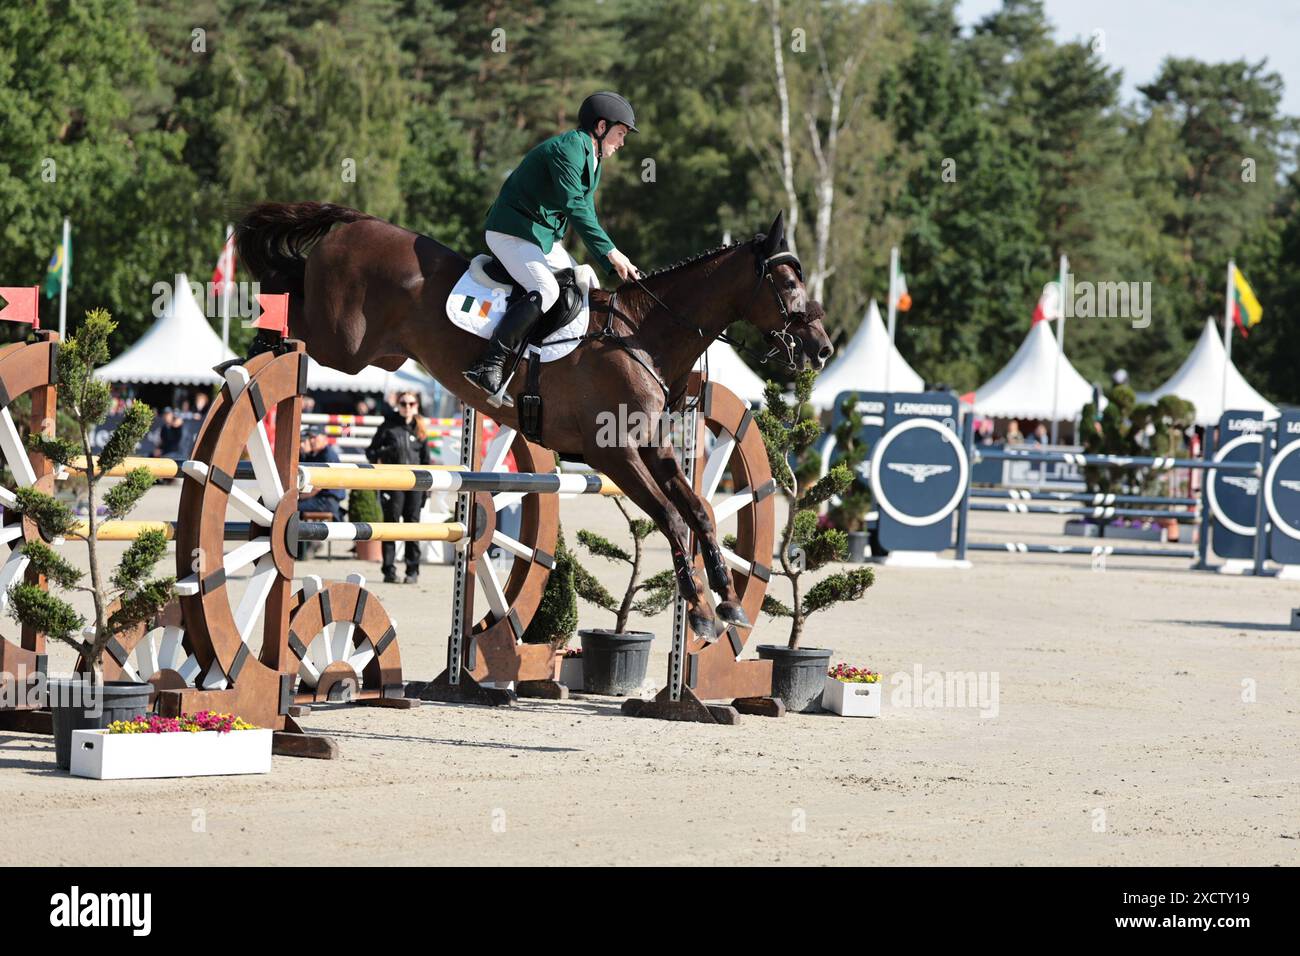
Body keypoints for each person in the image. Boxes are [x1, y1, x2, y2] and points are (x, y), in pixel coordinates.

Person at [463, 91, 642, 401]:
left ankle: (552, 369)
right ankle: (489, 364)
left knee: (588, 283)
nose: (622, 142)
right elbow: (576, 207)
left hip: (540, 237)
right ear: (601, 127)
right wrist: (613, 252)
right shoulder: (570, 149)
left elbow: (587, 211)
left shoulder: (592, 157)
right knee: (546, 290)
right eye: (620, 133)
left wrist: (610, 259)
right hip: (511, 231)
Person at [367, 391, 431, 584]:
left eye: (411, 403)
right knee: (391, 525)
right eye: (404, 403)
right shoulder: (388, 426)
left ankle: (412, 570)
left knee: (412, 527)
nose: (408, 407)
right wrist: (385, 451)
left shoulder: (420, 430)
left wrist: (426, 491)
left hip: (415, 484)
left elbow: (427, 462)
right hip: (392, 483)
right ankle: (389, 570)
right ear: (398, 405)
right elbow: (370, 453)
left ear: (417, 406)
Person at [297, 427, 344, 521]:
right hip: (320, 498)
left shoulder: (328, 456)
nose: (311, 440)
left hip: (326, 500)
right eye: (310, 437)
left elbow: (316, 488)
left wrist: (298, 497)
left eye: (314, 437)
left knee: (289, 508)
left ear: (324, 438)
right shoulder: (316, 454)